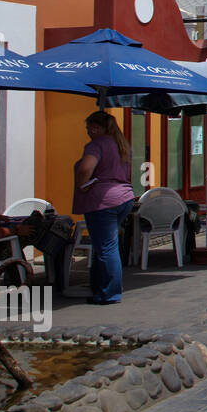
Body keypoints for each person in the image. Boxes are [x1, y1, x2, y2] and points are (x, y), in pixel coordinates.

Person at [72, 111, 136, 304]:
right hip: (124, 197)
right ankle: (101, 287)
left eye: (89, 128)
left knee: (106, 247)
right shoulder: (121, 144)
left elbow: (85, 168)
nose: (88, 132)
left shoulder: (97, 145)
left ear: (98, 127)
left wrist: (82, 185)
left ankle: (110, 292)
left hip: (103, 200)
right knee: (107, 245)